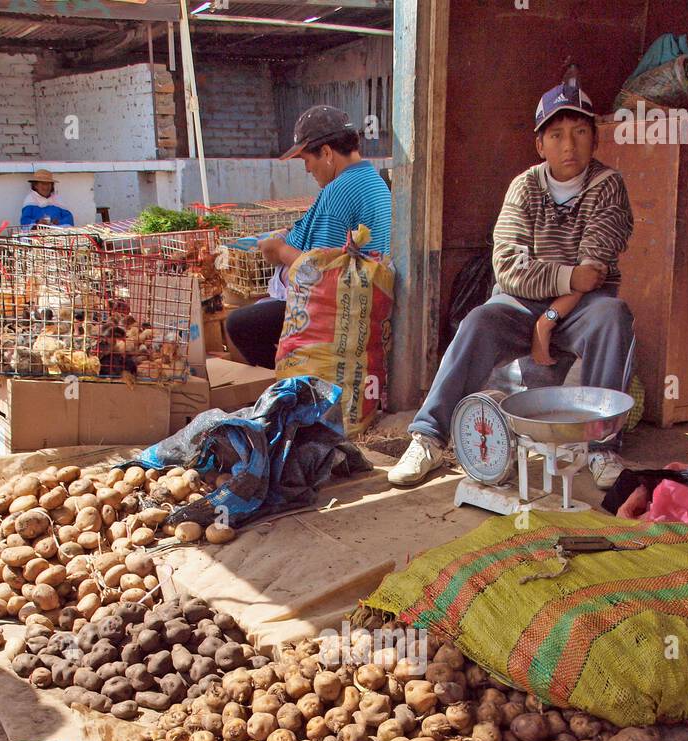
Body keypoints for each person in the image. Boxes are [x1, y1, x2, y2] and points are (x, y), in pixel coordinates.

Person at [388, 76, 635, 487]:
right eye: (556, 135)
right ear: (540, 145)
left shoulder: (608, 185)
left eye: (579, 132)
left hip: (580, 309)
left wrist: (550, 318)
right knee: (478, 321)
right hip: (520, 303)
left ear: (595, 139)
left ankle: (602, 447)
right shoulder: (524, 186)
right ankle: (429, 437)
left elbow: (593, 273)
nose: (568, 145)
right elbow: (508, 267)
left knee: (613, 314)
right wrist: (562, 280)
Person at [225, 106, 392, 369]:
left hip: (340, 308)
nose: (306, 169)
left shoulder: (339, 191)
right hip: (358, 297)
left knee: (239, 325)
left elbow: (319, 272)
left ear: (326, 153)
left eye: (307, 160)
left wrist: (280, 251)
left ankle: (299, 383)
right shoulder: (371, 179)